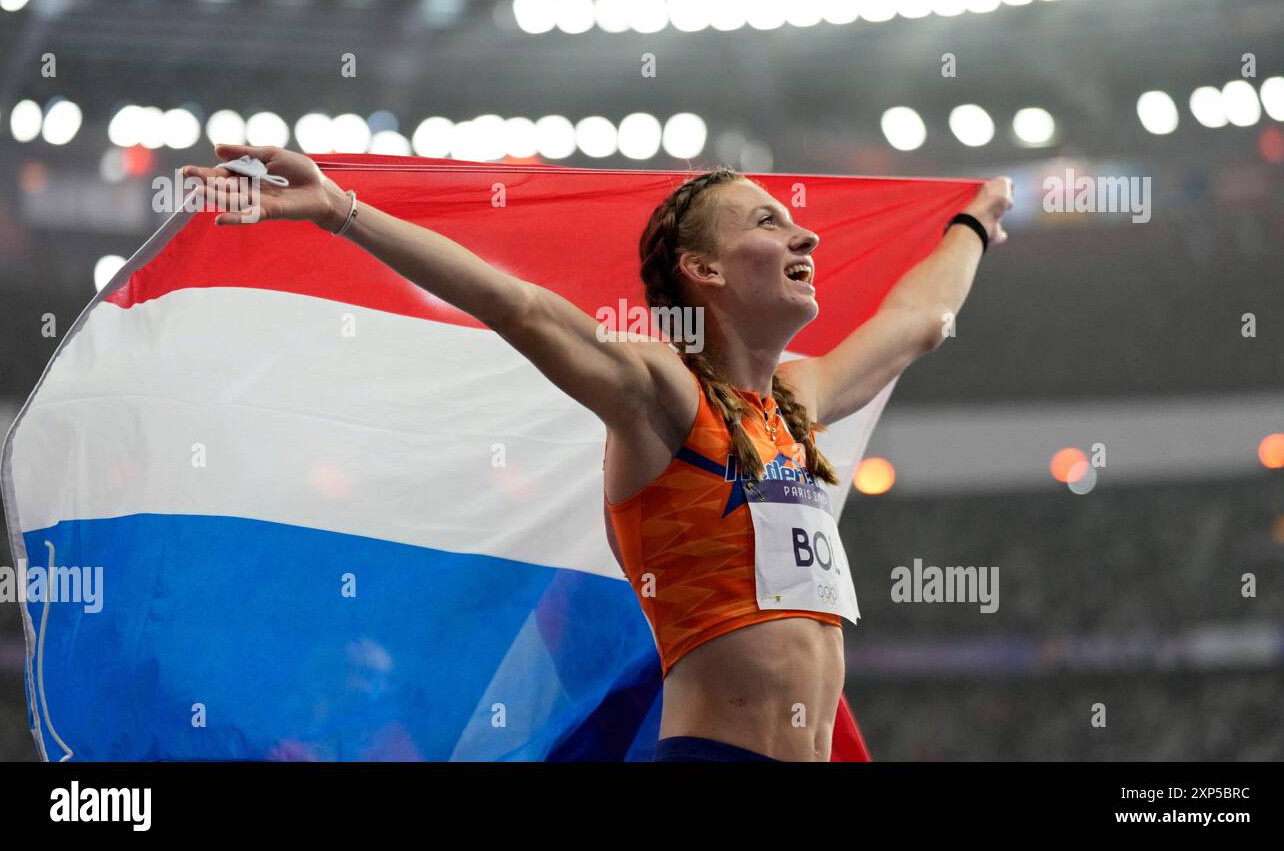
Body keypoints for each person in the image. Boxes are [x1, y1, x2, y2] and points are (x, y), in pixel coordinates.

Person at [181, 143, 1011, 762]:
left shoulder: (795, 405)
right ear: (701, 269)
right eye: (769, 222)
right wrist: (340, 209)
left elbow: (918, 325)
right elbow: (521, 308)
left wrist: (973, 220)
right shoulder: (663, 394)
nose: (808, 238)